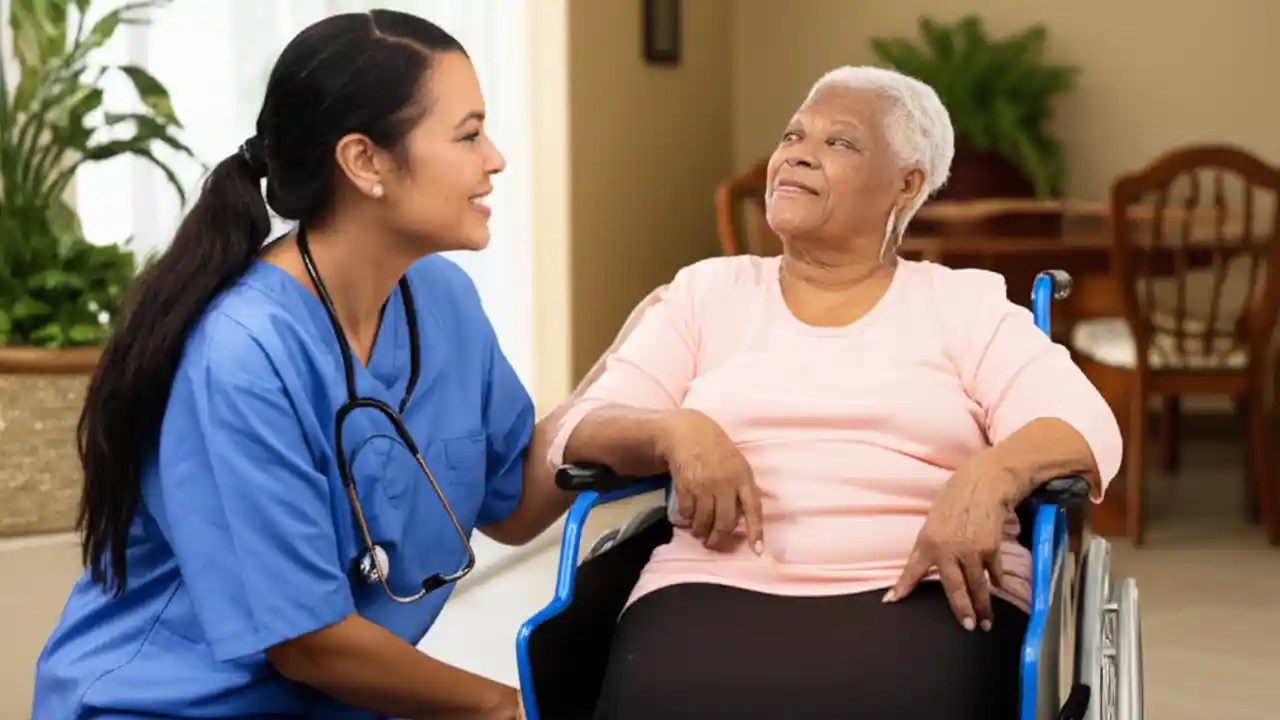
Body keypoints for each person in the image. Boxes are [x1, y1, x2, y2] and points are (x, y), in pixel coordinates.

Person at [32, 11, 656, 720]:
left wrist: (641, 373)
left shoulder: (441, 299)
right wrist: (507, 709)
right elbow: (308, 643)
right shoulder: (241, 352)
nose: (496, 158)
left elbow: (511, 499)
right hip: (167, 708)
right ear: (364, 162)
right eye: (468, 134)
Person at [548, 65, 1124, 720]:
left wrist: (989, 477)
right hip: (710, 583)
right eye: (794, 135)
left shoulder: (962, 303)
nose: (797, 152)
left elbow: (1086, 424)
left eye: (839, 142)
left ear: (906, 184)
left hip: (925, 587)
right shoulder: (709, 292)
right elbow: (581, 427)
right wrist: (674, 430)